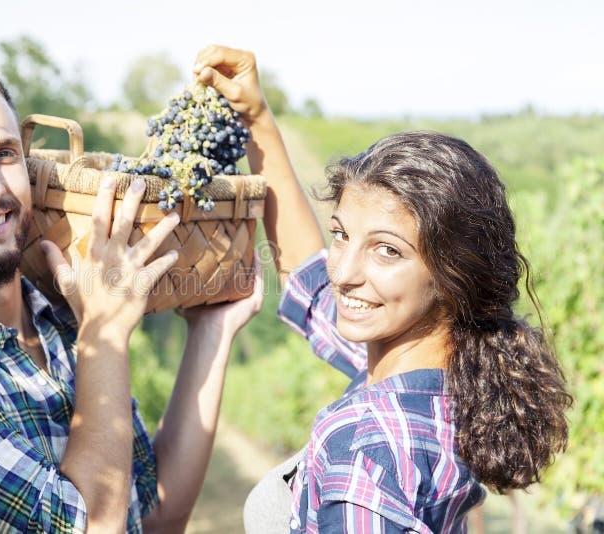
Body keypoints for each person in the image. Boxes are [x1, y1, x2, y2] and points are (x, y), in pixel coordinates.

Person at [0, 48, 262, 533]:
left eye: (4, 154)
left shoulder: (62, 318)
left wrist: (213, 332)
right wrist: (104, 331)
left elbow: (156, 516)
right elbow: (94, 527)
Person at [193, 45, 572, 532]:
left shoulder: (364, 448)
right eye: (342, 235)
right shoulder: (448, 382)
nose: (343, 272)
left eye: (387, 250)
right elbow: (309, 280)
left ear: (451, 276)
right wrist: (257, 118)